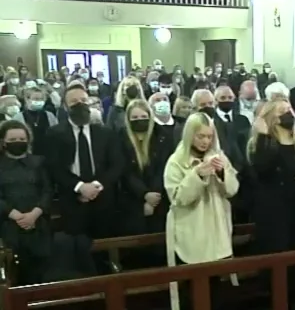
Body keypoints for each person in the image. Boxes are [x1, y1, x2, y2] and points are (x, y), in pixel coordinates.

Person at [163, 112, 239, 310]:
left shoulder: (219, 156)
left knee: (216, 280)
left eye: (209, 136)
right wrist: (197, 175)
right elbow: (178, 198)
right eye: (201, 136)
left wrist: (223, 173)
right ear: (190, 136)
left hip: (216, 227)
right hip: (192, 228)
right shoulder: (176, 162)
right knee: (194, 283)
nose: (206, 141)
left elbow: (232, 190)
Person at [248, 98, 295, 310]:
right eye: (282, 112)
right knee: (278, 255)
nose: (288, 114)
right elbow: (262, 168)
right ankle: (278, 305)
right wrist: (262, 135)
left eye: (289, 110)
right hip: (275, 210)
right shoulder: (264, 143)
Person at [46, 84, 124, 241]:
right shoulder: (55, 134)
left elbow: (117, 164)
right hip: (72, 200)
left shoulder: (106, 133)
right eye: (74, 101)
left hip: (103, 199)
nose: (80, 104)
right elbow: (54, 168)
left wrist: (96, 187)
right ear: (65, 106)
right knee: (76, 247)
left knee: (105, 246)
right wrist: (80, 187)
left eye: (83, 100)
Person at [0, 120, 52, 284]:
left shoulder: (39, 162)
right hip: (8, 226)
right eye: (13, 140)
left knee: (41, 273)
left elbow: (47, 190)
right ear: (3, 142)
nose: (18, 143)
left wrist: (34, 214)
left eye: (21, 139)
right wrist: (15, 215)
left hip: (38, 224)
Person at [121, 99, 175, 237]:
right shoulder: (121, 138)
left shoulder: (162, 136)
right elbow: (125, 172)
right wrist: (144, 194)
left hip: (160, 198)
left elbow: (164, 167)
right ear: (128, 119)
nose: (140, 120)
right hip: (132, 201)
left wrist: (154, 196)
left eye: (144, 117)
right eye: (135, 117)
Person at [13, 87, 59, 157]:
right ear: (27, 99)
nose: (39, 101)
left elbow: (56, 134)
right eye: (36, 99)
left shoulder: (50, 115)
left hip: (48, 154)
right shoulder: (18, 117)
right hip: (27, 155)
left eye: (41, 99)